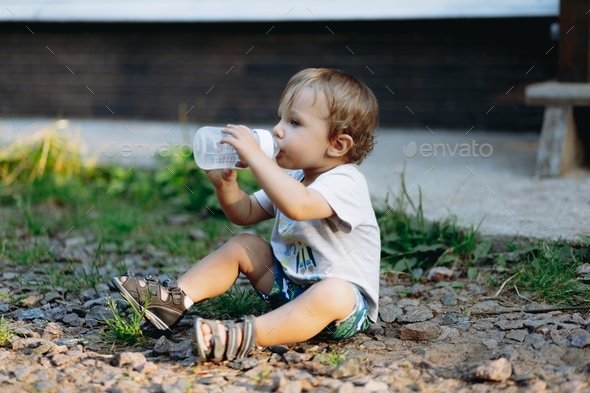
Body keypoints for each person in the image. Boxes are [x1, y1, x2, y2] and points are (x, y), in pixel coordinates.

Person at [112, 68, 381, 362]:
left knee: (335, 291)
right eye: (280, 118)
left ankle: (244, 336)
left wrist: (255, 157)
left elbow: (299, 206)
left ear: (337, 144)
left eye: (294, 122)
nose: (277, 130)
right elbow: (245, 212)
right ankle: (171, 301)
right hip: (290, 287)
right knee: (243, 244)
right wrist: (226, 187)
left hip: (343, 310)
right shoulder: (292, 177)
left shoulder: (346, 181)